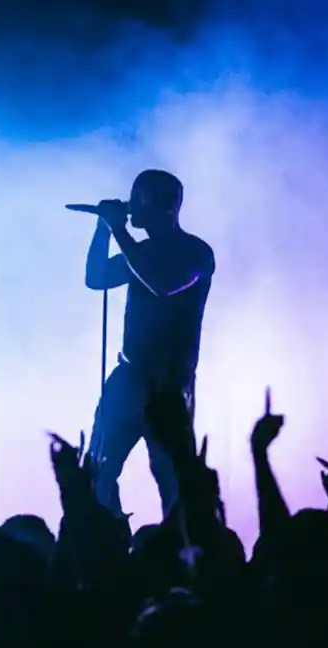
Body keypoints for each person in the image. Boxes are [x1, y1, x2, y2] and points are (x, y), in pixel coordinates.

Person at [82, 169, 215, 520]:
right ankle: (110, 542)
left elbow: (161, 283)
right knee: (99, 469)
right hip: (129, 377)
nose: (132, 206)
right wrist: (102, 231)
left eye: (138, 198)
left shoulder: (196, 252)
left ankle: (179, 553)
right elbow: (96, 278)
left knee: (173, 480)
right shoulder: (139, 251)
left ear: (168, 208)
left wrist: (119, 231)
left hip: (168, 386)